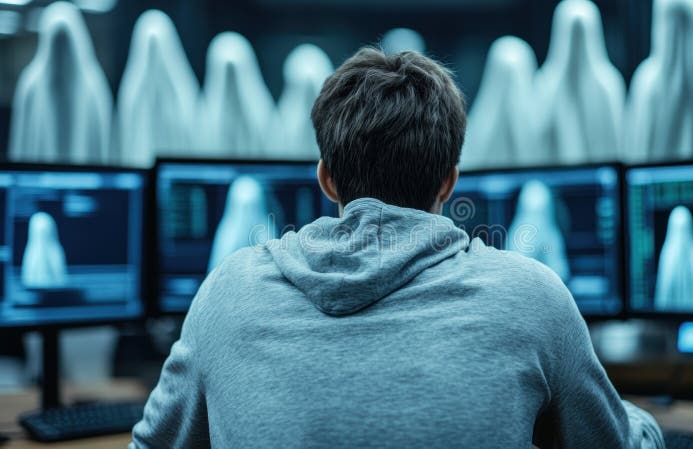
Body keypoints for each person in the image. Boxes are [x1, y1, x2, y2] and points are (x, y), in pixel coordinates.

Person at [130, 47, 664, 449]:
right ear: (449, 182)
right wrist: (642, 424)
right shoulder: (533, 298)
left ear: (327, 180)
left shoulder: (228, 292)